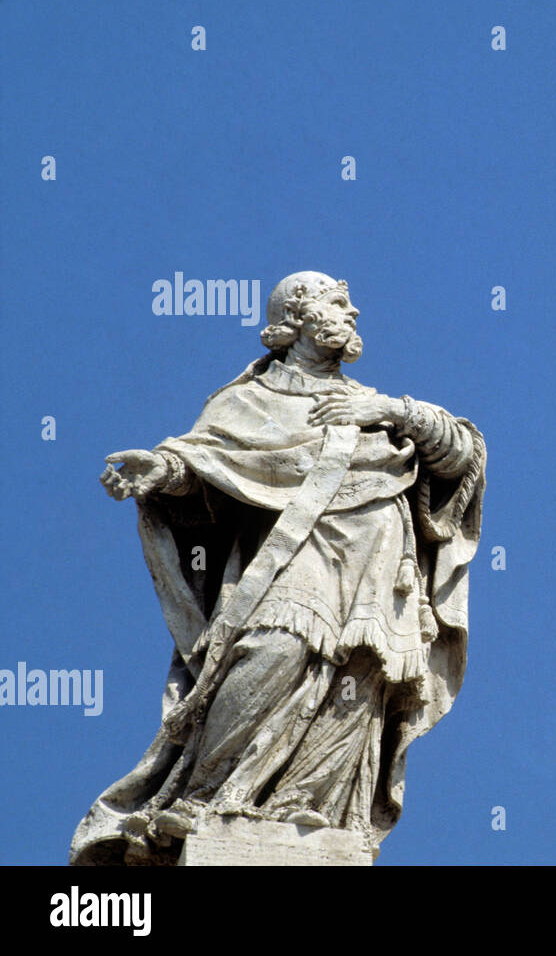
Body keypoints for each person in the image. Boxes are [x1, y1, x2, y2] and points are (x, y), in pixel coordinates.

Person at [71, 271, 485, 864]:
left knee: (359, 687)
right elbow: (209, 464)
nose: (355, 312)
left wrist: (391, 409)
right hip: (298, 561)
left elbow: (463, 456)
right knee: (273, 650)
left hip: (378, 574)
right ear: (295, 320)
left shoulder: (378, 409)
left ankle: (307, 811)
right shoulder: (246, 401)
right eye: (338, 303)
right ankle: (207, 797)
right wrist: (162, 472)